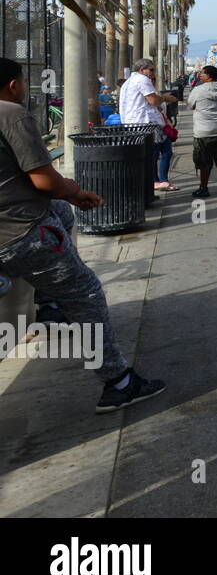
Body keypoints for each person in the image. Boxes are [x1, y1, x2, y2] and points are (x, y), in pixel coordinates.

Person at [0, 58, 166, 412]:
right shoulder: (10, 113)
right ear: (13, 85)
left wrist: (67, 199)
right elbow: (45, 180)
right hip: (21, 233)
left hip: (19, 231)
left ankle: (49, 303)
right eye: (24, 82)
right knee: (87, 294)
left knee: (60, 213)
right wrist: (76, 191)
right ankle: (118, 382)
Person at [120, 58, 178, 193]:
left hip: (133, 123)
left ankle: (157, 181)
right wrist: (165, 98)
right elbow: (153, 100)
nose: (153, 73)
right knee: (155, 153)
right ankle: (156, 181)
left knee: (158, 153)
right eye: (151, 70)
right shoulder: (142, 79)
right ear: (142, 70)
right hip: (146, 123)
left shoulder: (128, 82)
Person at [188, 65, 217, 198]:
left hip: (203, 130)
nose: (200, 76)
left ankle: (204, 188)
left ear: (209, 76)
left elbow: (190, 105)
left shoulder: (198, 90)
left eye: (202, 74)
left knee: (203, 160)